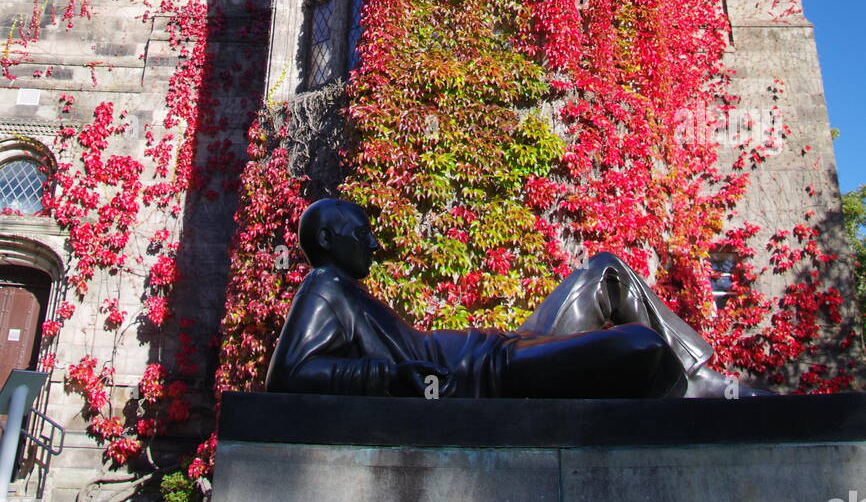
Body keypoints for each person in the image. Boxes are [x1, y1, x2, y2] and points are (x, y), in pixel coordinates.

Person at [265, 199, 771, 400]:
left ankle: (704, 380)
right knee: (637, 344)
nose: (374, 244)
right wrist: (394, 377)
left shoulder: (347, 293)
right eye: (362, 233)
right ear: (329, 240)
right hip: (493, 371)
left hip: (509, 347)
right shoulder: (325, 287)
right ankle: (700, 390)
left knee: (605, 269)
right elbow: (287, 376)